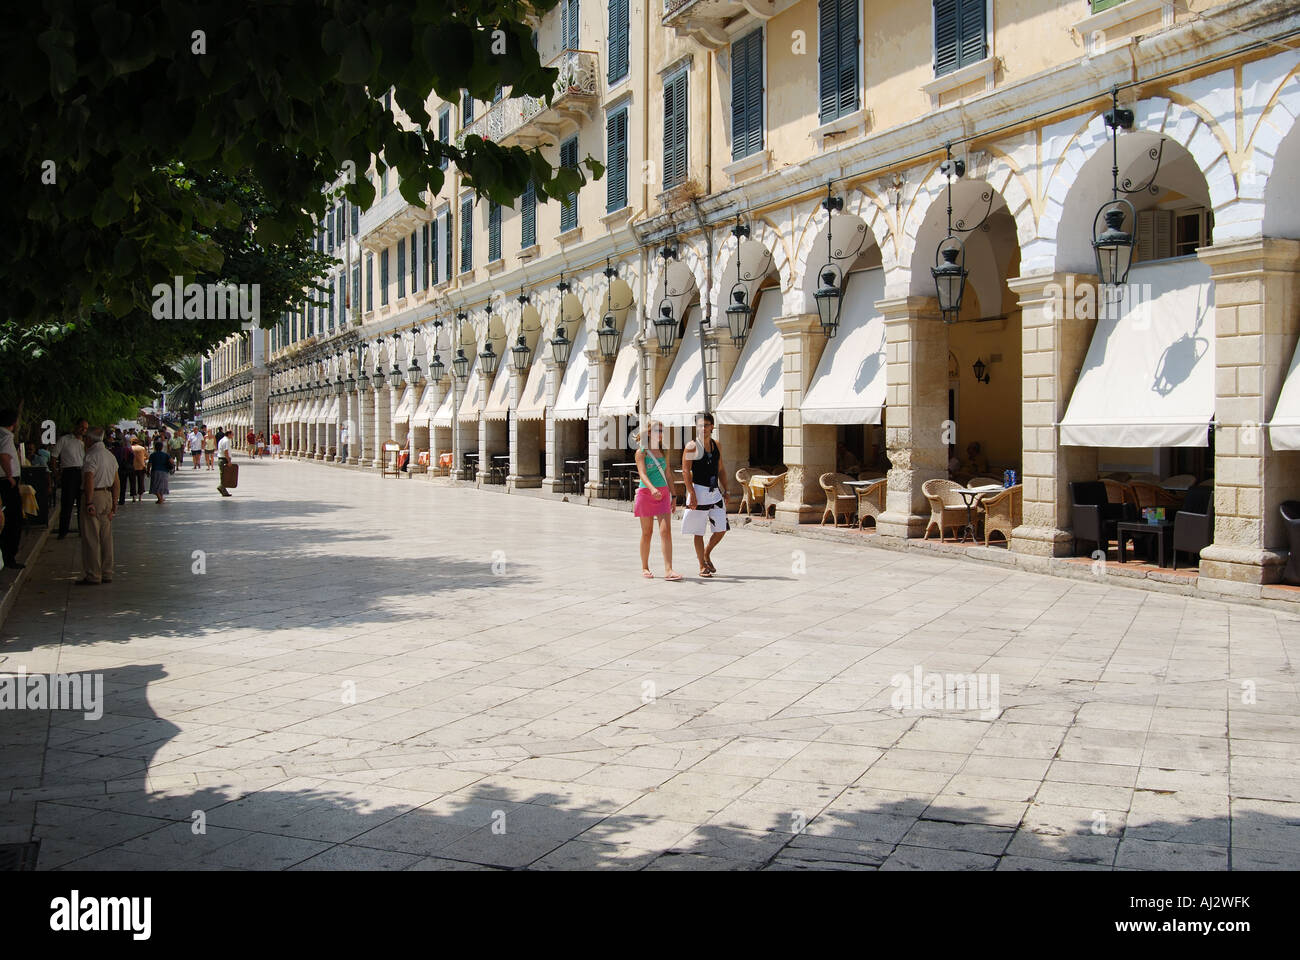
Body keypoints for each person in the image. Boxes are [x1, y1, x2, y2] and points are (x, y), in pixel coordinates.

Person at [681, 412, 729, 578]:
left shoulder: (717, 445)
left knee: (721, 529)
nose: (703, 428)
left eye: (706, 425)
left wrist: (726, 489)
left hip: (715, 492)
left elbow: (720, 468)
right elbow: (686, 471)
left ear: (712, 427)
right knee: (698, 530)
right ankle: (702, 565)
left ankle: (706, 554)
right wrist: (691, 493)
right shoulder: (691, 446)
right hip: (699, 491)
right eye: (700, 425)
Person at [633, 420, 681, 581]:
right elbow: (642, 474)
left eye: (662, 430)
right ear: (648, 432)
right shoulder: (642, 452)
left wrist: (673, 495)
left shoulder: (664, 450)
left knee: (665, 531)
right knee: (647, 532)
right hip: (647, 493)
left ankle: (669, 569)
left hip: (663, 494)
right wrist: (652, 489)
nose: (660, 433)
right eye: (657, 430)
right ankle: (645, 567)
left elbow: (667, 473)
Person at [77, 426, 119, 585]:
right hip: (107, 496)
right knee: (106, 537)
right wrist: (114, 503)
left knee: (91, 537)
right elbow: (116, 482)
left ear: (89, 439)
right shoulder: (110, 456)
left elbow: (89, 479)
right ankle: (107, 572)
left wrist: (88, 501)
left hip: (94, 495)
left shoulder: (91, 456)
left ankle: (93, 574)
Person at [52, 418, 88, 539]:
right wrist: (56, 473)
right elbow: (54, 456)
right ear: (76, 426)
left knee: (82, 503)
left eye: (86, 428)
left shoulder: (86, 442)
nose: (83, 430)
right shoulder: (65, 440)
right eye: (82, 427)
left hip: (82, 473)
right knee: (67, 503)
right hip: (69, 473)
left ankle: (82, 530)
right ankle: (63, 531)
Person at [0, 409, 23, 570]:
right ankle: (9, 556)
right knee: (13, 519)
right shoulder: (6, 436)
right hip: (7, 481)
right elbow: (4, 456)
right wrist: (9, 475)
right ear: (13, 423)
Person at [111, 431, 133, 506]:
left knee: (113, 485)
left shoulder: (112, 451)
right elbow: (132, 456)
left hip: (114, 470)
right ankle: (122, 500)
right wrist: (129, 463)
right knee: (123, 485)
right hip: (124, 469)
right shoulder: (126, 449)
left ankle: (114, 499)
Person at [148, 439, 172, 504]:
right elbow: (171, 461)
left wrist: (148, 471)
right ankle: (160, 498)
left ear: (155, 447)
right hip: (164, 472)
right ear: (162, 447)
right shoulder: (166, 455)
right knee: (161, 486)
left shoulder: (153, 455)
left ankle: (160, 499)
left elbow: (149, 464)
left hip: (155, 471)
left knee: (155, 486)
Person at [130, 434, 148, 503]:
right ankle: (140, 497)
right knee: (141, 482)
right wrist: (142, 459)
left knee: (132, 482)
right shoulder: (142, 448)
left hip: (132, 467)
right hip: (141, 466)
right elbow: (147, 456)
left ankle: (134, 497)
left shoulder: (130, 448)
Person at [216, 429, 233, 496]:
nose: (233, 436)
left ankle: (223, 490)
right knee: (225, 476)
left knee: (223, 475)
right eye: (232, 434)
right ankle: (221, 487)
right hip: (224, 460)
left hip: (221, 459)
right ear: (229, 434)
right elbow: (226, 451)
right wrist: (228, 461)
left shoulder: (222, 440)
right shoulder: (226, 441)